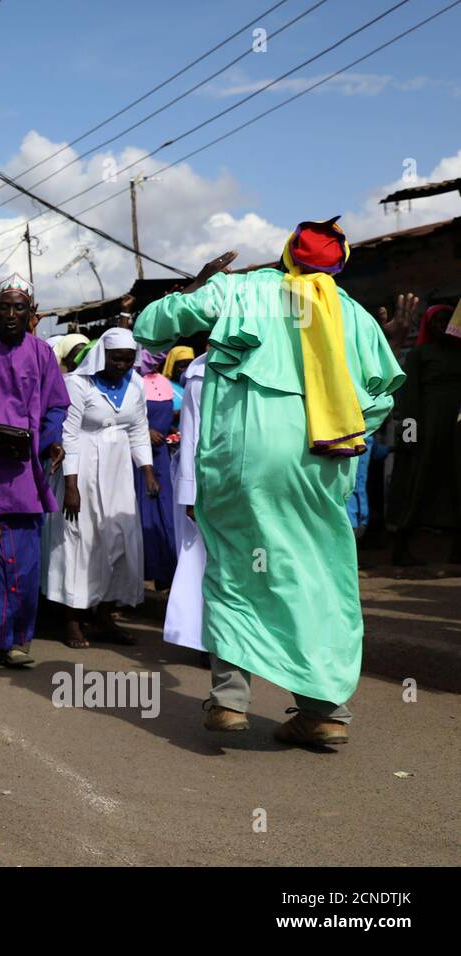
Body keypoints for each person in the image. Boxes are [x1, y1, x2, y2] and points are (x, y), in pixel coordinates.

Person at [135, 220, 404, 745]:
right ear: (339, 266)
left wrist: (196, 285)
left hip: (244, 456)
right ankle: (325, 710)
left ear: (286, 256)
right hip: (322, 460)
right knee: (317, 576)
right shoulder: (355, 316)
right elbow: (382, 399)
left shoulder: (241, 289)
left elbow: (150, 326)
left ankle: (231, 699)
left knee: (236, 567)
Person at [0, 273, 69, 670]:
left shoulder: (43, 353)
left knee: (25, 566)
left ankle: (16, 641)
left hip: (26, 474)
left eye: (19, 307)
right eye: (5, 307)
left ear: (31, 313)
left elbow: (57, 405)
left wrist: (50, 440)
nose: (10, 314)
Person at [42, 327, 156, 648]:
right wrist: (72, 486)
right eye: (116, 359)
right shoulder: (77, 384)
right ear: (102, 355)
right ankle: (72, 621)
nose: (122, 365)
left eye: (128, 359)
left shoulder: (135, 384)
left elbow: (138, 427)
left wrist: (146, 470)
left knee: (118, 538)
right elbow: (69, 435)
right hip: (81, 471)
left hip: (118, 471)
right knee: (78, 540)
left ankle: (104, 615)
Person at [387, 303, 461, 565]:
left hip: (454, 431)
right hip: (427, 429)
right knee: (416, 483)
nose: (441, 327)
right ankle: (401, 546)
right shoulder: (420, 354)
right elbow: (409, 398)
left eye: (446, 321)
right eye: (436, 323)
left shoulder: (458, 353)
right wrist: (408, 437)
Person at [163, 352, 208, 654]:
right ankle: (204, 638)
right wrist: (190, 495)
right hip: (206, 483)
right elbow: (191, 437)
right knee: (202, 562)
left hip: (248, 484)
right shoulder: (201, 378)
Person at [136, 364, 178, 589]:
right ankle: (147, 570)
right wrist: (144, 431)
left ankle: (166, 570)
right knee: (145, 513)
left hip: (161, 455)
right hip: (139, 458)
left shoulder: (168, 385)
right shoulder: (133, 384)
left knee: (166, 513)